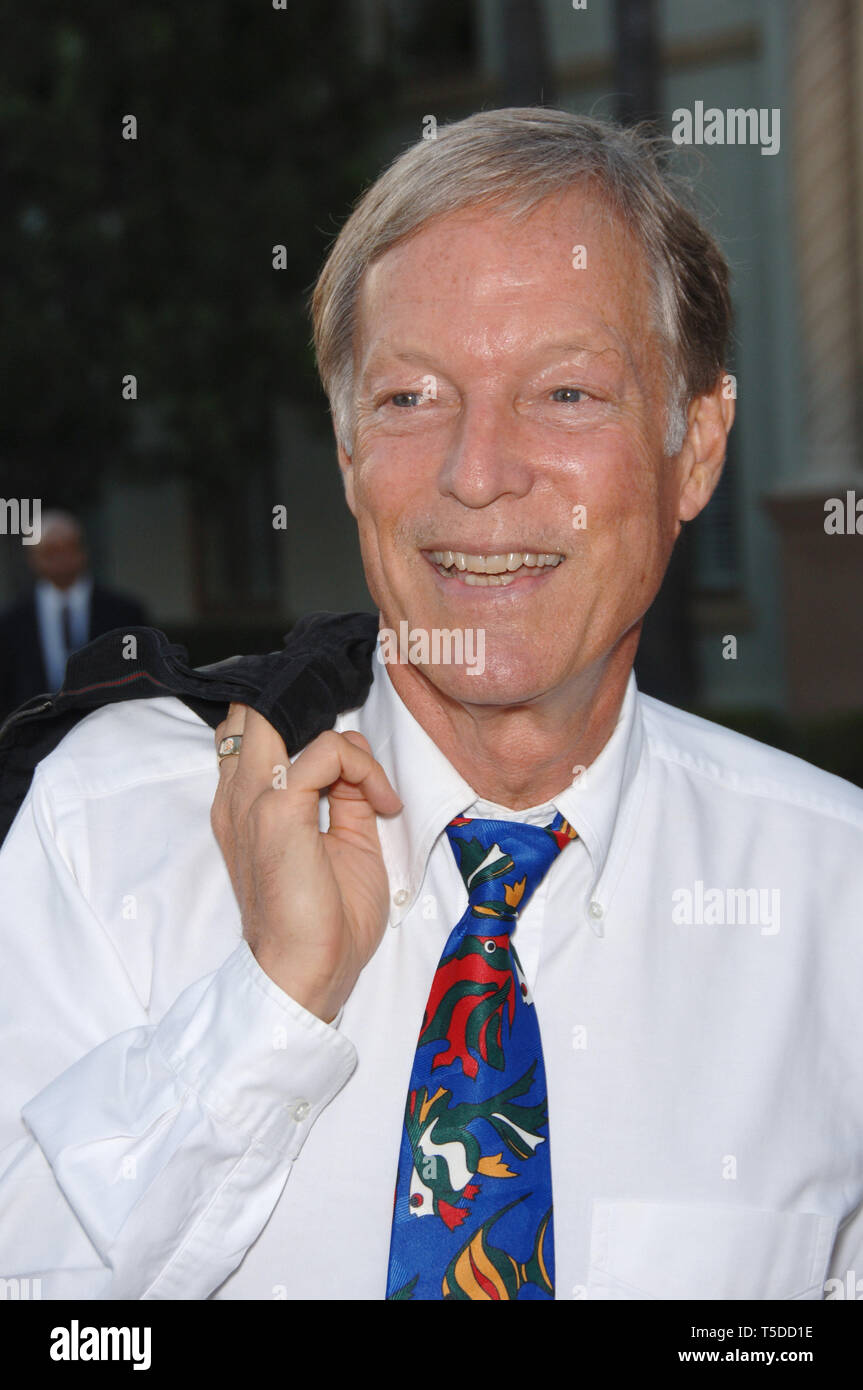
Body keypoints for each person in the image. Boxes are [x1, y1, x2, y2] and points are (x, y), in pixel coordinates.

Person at [0, 107, 861, 1301]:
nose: (475, 470)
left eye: (566, 392)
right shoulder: (111, 826)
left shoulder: (835, 899)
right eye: (409, 398)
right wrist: (270, 1001)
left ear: (696, 446)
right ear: (349, 452)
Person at [0, 511, 149, 721]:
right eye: (50, 551)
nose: (61, 559)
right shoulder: (12, 621)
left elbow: (141, 677)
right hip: (33, 733)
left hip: (110, 726)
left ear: (83, 551)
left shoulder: (124, 612)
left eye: (68, 548)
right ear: (33, 558)